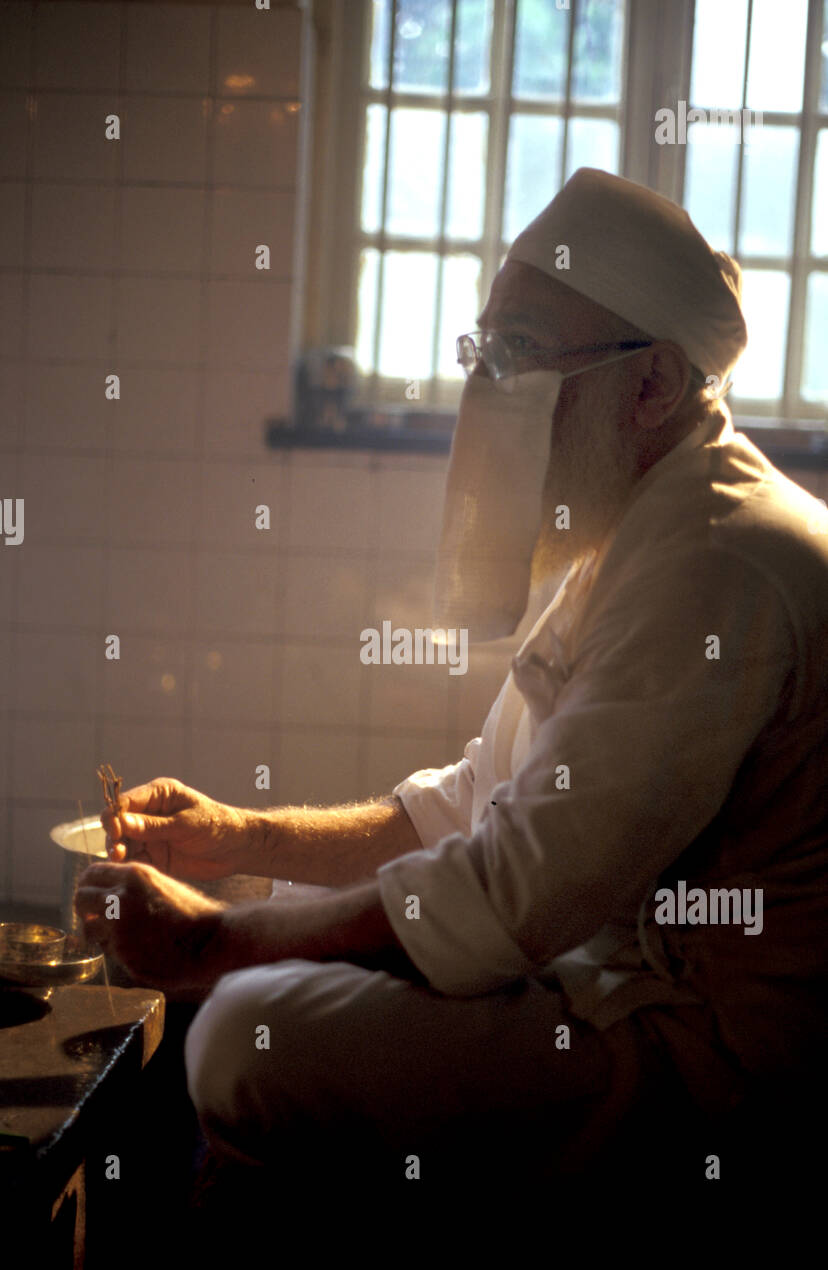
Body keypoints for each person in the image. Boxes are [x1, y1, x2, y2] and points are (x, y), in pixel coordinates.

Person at [76, 168, 828, 1206]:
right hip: (610, 986)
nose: (486, 386)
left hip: (708, 1062)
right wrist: (236, 837)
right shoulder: (636, 523)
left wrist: (207, 941)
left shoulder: (718, 560)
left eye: (517, 352)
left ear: (649, 384)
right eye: (482, 350)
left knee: (249, 1038)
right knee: (282, 920)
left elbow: (512, 893)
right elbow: (471, 801)